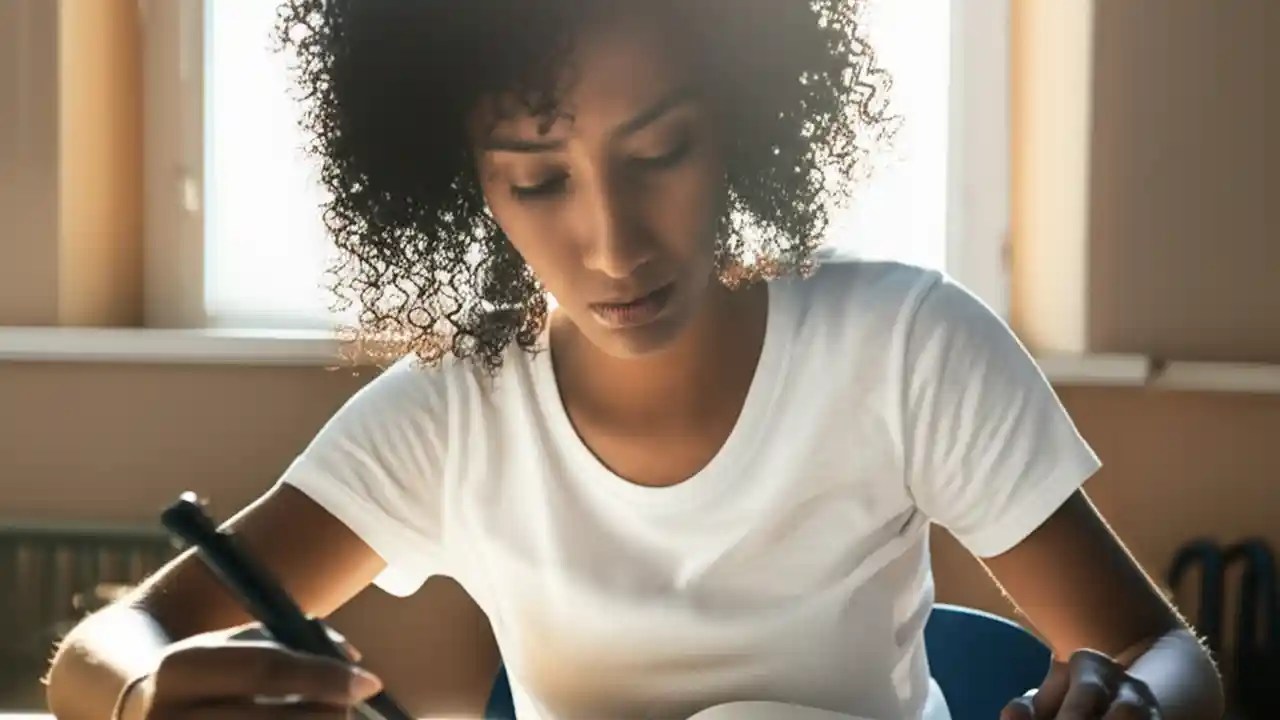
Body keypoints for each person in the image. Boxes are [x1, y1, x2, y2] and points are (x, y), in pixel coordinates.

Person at [46, 1, 1224, 719]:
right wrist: (145, 693)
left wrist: (1130, 701)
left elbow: (1162, 652)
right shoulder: (449, 422)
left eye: (660, 151)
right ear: (465, 186)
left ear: (745, 127)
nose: (612, 243)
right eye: (539, 180)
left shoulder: (905, 347)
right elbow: (100, 656)